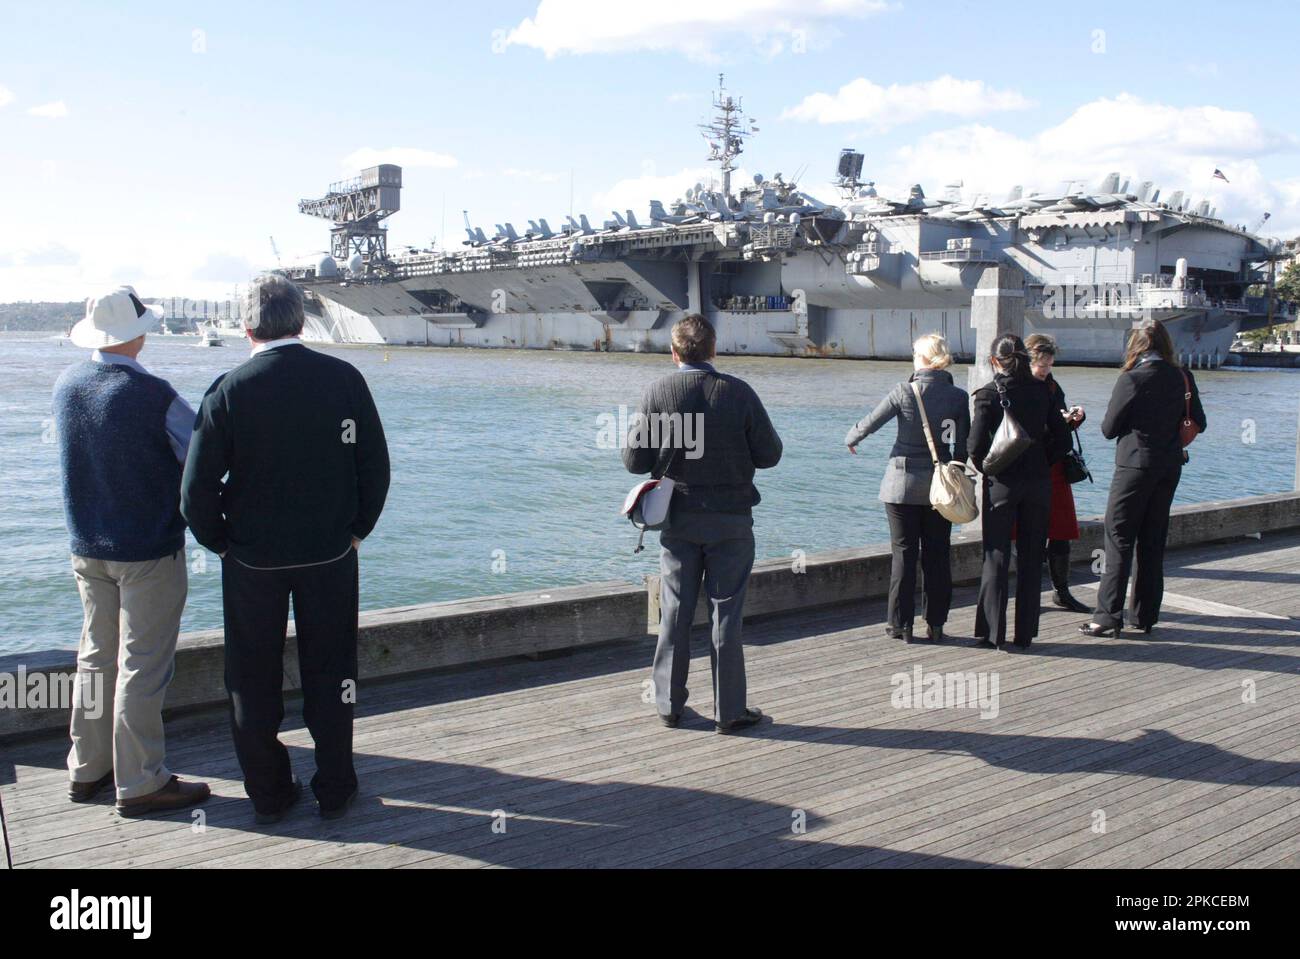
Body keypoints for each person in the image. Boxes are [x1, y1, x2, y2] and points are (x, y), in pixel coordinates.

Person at [181, 274, 390, 823]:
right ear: (301, 320)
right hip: (330, 554)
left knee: (251, 677)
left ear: (247, 326)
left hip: (253, 559)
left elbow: (195, 489)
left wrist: (221, 542)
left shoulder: (229, 389)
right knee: (333, 670)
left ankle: (269, 792)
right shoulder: (344, 379)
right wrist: (357, 529)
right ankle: (336, 786)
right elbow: (374, 466)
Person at [53, 286, 211, 817]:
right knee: (141, 666)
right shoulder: (154, 396)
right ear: (137, 334)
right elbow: (201, 456)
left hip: (86, 546)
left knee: (95, 659)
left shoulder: (66, 385)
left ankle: (87, 767)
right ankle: (141, 781)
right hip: (146, 549)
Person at [623, 314, 782, 734]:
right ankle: (730, 711)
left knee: (674, 612)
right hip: (731, 520)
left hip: (679, 520)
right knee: (726, 615)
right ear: (713, 350)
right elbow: (770, 455)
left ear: (674, 352)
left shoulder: (658, 392)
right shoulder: (739, 392)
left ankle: (668, 706)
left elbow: (634, 462)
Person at [1080, 320, 1206, 636]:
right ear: (1165, 345)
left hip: (1134, 467)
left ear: (1135, 347)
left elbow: (1109, 429)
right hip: (1169, 466)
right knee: (1152, 540)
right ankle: (1145, 615)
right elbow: (1199, 421)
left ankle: (1107, 616)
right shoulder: (1183, 376)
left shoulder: (1131, 379)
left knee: (1119, 538)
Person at [845, 333, 970, 643]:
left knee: (904, 555)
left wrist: (852, 437)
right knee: (937, 555)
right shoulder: (958, 397)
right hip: (939, 490)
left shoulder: (904, 391)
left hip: (901, 486)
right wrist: (953, 468)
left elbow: (871, 421)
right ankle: (937, 624)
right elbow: (962, 447)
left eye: (916, 353)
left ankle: (902, 625)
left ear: (923, 359)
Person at [969, 334, 1071, 650]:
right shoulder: (1044, 391)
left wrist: (990, 468)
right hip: (1038, 483)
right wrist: (1041, 460)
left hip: (1001, 482)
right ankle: (1024, 634)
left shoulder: (988, 394)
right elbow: (1063, 441)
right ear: (1026, 358)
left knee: (996, 555)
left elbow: (974, 447)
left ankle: (991, 633)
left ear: (994, 361)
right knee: (1030, 556)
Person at [1024, 334, 1090, 612]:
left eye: (1049, 365)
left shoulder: (1052, 386)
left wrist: (1073, 420)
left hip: (1054, 466)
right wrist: (1055, 425)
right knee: (1029, 533)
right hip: (1028, 467)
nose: (1045, 370)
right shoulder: (1015, 387)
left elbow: (1059, 423)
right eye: (1041, 365)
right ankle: (1027, 593)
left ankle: (1061, 591)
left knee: (1061, 531)